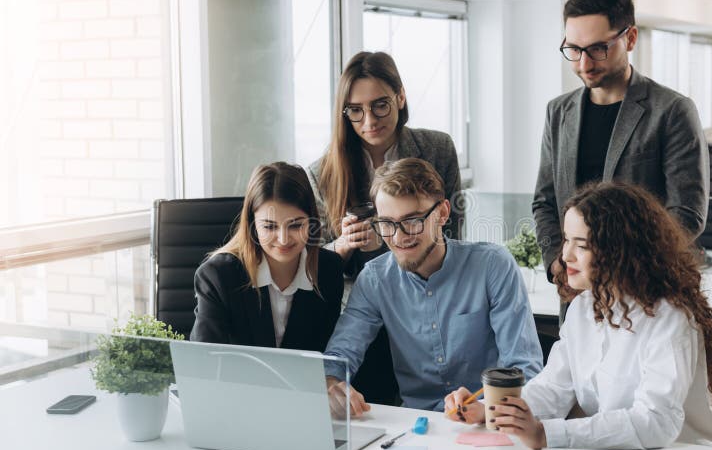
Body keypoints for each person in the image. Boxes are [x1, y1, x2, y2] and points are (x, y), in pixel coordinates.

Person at [446, 182, 712, 450]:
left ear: (621, 251)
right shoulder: (583, 308)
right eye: (566, 240)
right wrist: (491, 409)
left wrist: (546, 434)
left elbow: (656, 422)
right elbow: (554, 389)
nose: (566, 256)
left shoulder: (670, 319)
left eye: (582, 245)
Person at [324, 158, 543, 414]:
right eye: (386, 223)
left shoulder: (493, 265)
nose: (398, 237)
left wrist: (485, 407)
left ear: (442, 213)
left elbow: (525, 369)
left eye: (413, 220)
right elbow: (341, 353)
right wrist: (331, 383)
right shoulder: (374, 279)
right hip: (417, 425)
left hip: (490, 422)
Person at [532, 0, 709, 282]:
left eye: (598, 49)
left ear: (630, 38)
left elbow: (686, 215)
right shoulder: (558, 112)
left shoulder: (672, 110)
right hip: (577, 296)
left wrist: (616, 267)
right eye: (574, 49)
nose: (584, 64)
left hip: (645, 290)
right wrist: (556, 263)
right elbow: (545, 202)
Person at [308, 51, 463, 277]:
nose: (369, 121)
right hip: (359, 300)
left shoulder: (438, 149)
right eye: (356, 110)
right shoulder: (320, 174)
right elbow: (310, 262)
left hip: (429, 291)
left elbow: (452, 236)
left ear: (400, 97)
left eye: (380, 105)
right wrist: (342, 245)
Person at [191, 162, 343, 352]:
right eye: (270, 227)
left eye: (295, 225)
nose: (283, 239)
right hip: (237, 381)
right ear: (252, 225)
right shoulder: (218, 275)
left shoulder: (329, 269)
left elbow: (326, 353)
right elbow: (203, 360)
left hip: (303, 381)